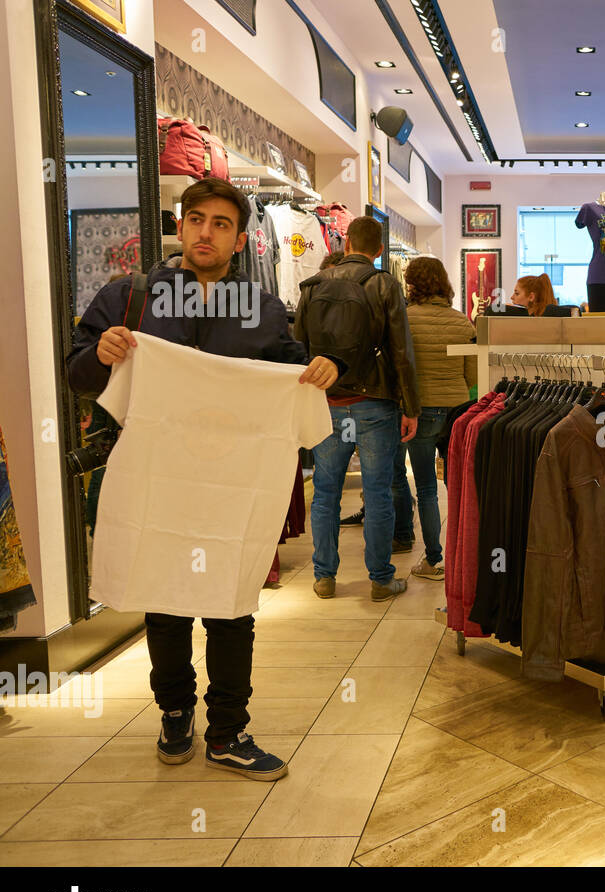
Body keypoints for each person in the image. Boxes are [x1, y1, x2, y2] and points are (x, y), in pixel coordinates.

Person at [66, 177, 340, 780]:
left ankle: (227, 730)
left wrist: (321, 368)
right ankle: (173, 713)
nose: (206, 232)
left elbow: (292, 376)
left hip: (230, 488)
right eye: (196, 220)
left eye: (220, 223)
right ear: (181, 226)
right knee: (163, 602)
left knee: (231, 606)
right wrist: (102, 354)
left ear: (241, 239)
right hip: (156, 483)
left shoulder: (262, 310)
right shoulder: (128, 299)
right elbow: (80, 375)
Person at [294, 216, 421, 601]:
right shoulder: (384, 284)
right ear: (380, 250)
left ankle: (324, 576)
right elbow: (401, 350)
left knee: (326, 492)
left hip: (328, 402)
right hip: (375, 403)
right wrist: (410, 406)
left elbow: (298, 344)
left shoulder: (313, 285)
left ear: (346, 243)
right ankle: (381, 579)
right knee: (378, 492)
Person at [391, 257, 476, 578]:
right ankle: (463, 555)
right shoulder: (462, 322)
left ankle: (434, 559)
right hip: (457, 409)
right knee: (457, 487)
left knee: (426, 487)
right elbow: (472, 375)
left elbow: (401, 368)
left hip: (421, 411)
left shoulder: (405, 320)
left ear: (412, 284)